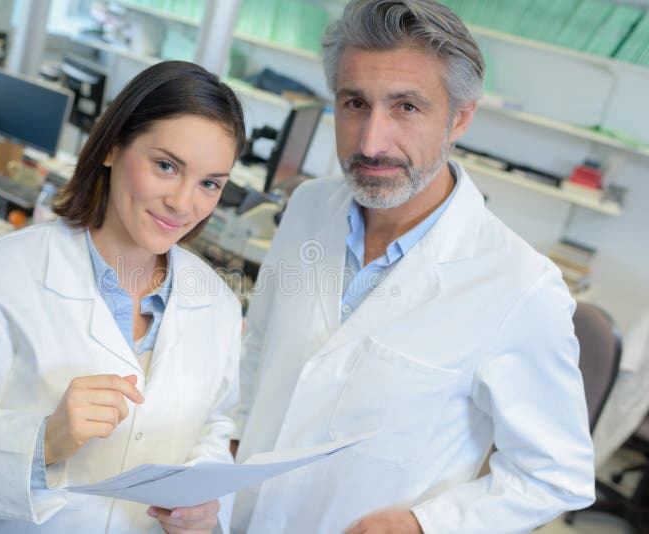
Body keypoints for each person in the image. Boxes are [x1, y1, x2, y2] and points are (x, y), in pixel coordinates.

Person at [231, 1, 595, 533]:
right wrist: (235, 438)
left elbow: (556, 475)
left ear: (460, 118)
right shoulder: (309, 205)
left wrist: (426, 525)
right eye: (355, 103)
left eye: (406, 107)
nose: (372, 142)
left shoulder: (521, 287)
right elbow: (261, 347)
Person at [0, 60, 246, 534]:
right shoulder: (0, 276)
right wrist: (41, 444)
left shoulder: (216, 303)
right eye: (166, 166)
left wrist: (204, 511)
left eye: (210, 183)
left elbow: (215, 429)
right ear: (111, 147)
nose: (184, 203)